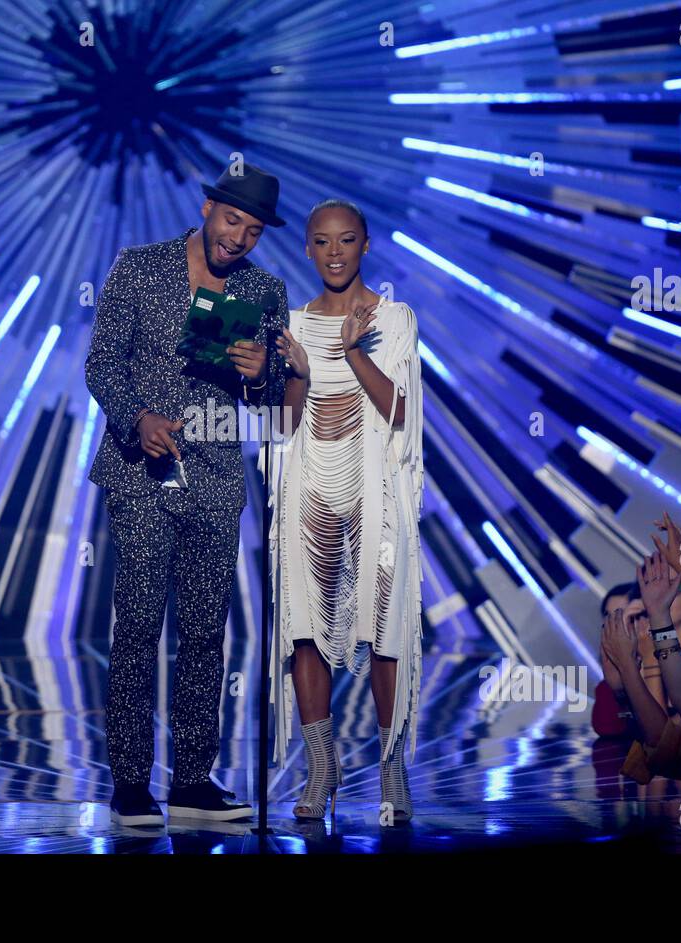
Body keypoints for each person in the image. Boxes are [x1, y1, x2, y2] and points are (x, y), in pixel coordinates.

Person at [85, 162, 288, 825]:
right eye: (233, 221)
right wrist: (135, 417)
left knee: (204, 635)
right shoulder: (139, 268)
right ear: (206, 209)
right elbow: (101, 362)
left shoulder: (264, 290)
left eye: (253, 231)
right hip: (141, 472)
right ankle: (130, 785)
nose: (239, 239)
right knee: (139, 626)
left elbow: (276, 399)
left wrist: (263, 374)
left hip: (216, 477)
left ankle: (193, 780)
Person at [266, 198, 424, 822]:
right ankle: (321, 768)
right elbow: (282, 424)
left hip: (374, 490)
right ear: (307, 249)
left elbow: (402, 414)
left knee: (382, 630)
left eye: (347, 239)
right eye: (322, 241)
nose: (335, 252)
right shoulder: (295, 325)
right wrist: (299, 375)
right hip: (309, 486)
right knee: (305, 628)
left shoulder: (396, 317)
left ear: (365, 245)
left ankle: (390, 769)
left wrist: (355, 352)